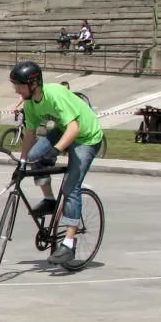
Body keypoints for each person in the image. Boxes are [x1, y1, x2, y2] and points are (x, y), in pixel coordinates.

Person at [9, 61, 104, 266]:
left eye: (19, 85)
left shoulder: (55, 94)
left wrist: (56, 150)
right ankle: (50, 200)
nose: (16, 90)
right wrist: (23, 163)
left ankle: (69, 244)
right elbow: (30, 134)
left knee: (71, 187)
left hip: (87, 137)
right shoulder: (29, 103)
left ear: (33, 84)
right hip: (62, 130)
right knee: (35, 157)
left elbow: (74, 128)